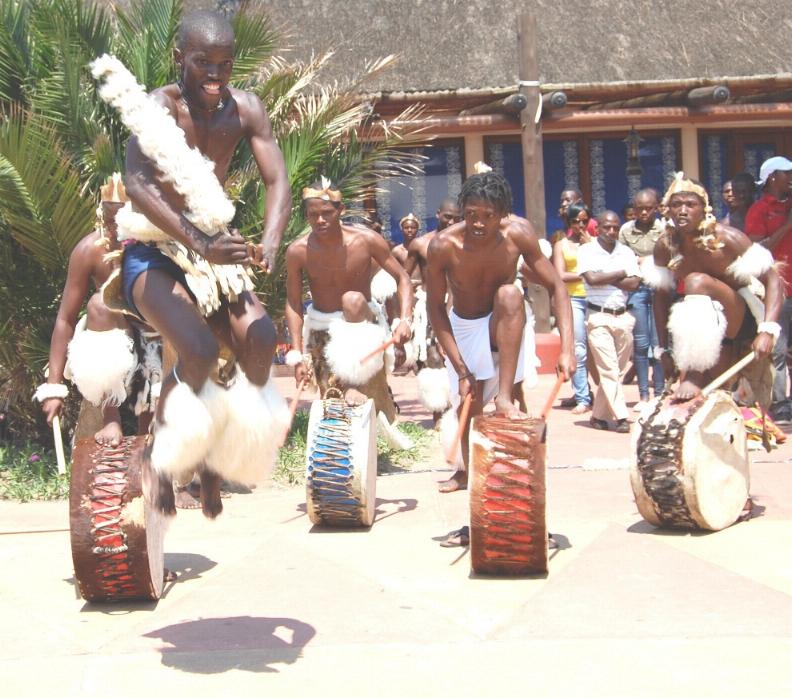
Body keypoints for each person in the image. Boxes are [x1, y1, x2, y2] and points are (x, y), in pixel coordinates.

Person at [92, 10, 292, 518]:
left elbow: (277, 180)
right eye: (203, 62)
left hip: (214, 252)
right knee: (198, 350)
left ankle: (216, 455)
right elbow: (137, 183)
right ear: (179, 57)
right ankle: (160, 460)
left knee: (262, 337)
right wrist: (201, 244)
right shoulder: (159, 109)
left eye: (225, 64)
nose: (214, 75)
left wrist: (269, 241)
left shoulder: (245, 110)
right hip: (155, 248)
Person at [426, 172, 574, 493]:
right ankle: (466, 473)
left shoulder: (518, 233)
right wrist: (461, 368)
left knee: (510, 294)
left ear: (503, 214)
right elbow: (435, 308)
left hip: (503, 322)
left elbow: (557, 287)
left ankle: (506, 399)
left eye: (488, 216)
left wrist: (567, 348)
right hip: (463, 325)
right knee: (469, 401)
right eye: (471, 215)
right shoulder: (443, 246)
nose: (478, 224)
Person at [284, 179, 414, 446]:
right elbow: (294, 303)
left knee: (352, 300)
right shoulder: (298, 251)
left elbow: (403, 279)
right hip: (322, 326)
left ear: (341, 210)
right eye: (312, 215)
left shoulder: (365, 240)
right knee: (334, 409)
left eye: (326, 213)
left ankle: (354, 384)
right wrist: (298, 356)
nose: (319, 220)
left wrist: (404, 321)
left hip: (363, 322)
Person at [35, 174, 161, 447]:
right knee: (98, 305)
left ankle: (148, 425)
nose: (115, 226)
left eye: (122, 218)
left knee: (159, 317)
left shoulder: (155, 245)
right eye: (109, 218)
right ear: (101, 214)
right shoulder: (88, 251)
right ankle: (110, 416)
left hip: (155, 333)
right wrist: (53, 388)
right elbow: (65, 319)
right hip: (113, 332)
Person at [645, 172, 783, 405]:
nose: (683, 210)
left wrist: (768, 330)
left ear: (704, 208)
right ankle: (698, 372)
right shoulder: (664, 246)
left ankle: (696, 371)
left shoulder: (727, 238)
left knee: (696, 281)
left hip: (741, 318)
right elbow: (660, 296)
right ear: (667, 209)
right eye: (676, 204)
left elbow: (774, 280)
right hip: (703, 328)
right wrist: (663, 350)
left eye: (690, 204)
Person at [577, 211, 641, 432]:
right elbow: (592, 280)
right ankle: (622, 416)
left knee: (617, 370)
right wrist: (621, 273)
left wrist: (608, 276)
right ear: (598, 228)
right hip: (598, 316)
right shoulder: (586, 250)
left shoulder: (626, 252)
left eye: (615, 227)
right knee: (609, 369)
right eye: (606, 227)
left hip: (623, 317)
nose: (611, 232)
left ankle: (598, 416)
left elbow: (634, 284)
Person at [404, 198, 462, 422]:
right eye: (448, 216)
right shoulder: (421, 244)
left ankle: (457, 407)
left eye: (457, 218)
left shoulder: (464, 243)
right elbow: (403, 277)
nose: (452, 221)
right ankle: (439, 411)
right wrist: (404, 312)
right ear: (438, 214)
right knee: (433, 357)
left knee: (460, 356)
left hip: (461, 304)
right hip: (430, 306)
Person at [745, 157, 792, 421]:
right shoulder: (759, 210)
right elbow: (756, 250)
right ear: (773, 177)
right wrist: (787, 225)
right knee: (778, 350)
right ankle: (781, 404)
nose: (791, 177)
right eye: (788, 173)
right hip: (778, 292)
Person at [618, 188, 665, 409]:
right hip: (636, 289)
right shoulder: (626, 230)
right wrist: (647, 259)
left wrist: (643, 258)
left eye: (649, 208)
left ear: (656, 207)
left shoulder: (664, 229)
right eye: (640, 209)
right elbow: (623, 259)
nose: (644, 213)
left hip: (659, 288)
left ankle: (660, 393)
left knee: (658, 343)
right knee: (641, 343)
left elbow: (669, 256)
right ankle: (644, 395)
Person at [552, 202, 593, 414]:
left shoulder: (595, 243)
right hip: (574, 298)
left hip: (596, 298)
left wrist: (591, 247)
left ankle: (598, 394)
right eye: (576, 221)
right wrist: (588, 274)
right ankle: (582, 396)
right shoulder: (562, 245)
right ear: (569, 222)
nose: (580, 225)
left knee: (597, 349)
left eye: (584, 221)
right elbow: (560, 274)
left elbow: (605, 268)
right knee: (578, 347)